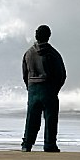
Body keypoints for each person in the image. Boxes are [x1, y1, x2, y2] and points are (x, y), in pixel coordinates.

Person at [21, 24, 66, 152]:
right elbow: (61, 74)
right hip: (48, 89)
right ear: (48, 36)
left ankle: (26, 144)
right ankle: (49, 144)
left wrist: (29, 87)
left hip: (33, 89)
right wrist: (55, 89)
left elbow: (25, 73)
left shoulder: (28, 53)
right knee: (51, 118)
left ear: (36, 36)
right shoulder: (53, 53)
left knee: (31, 119)